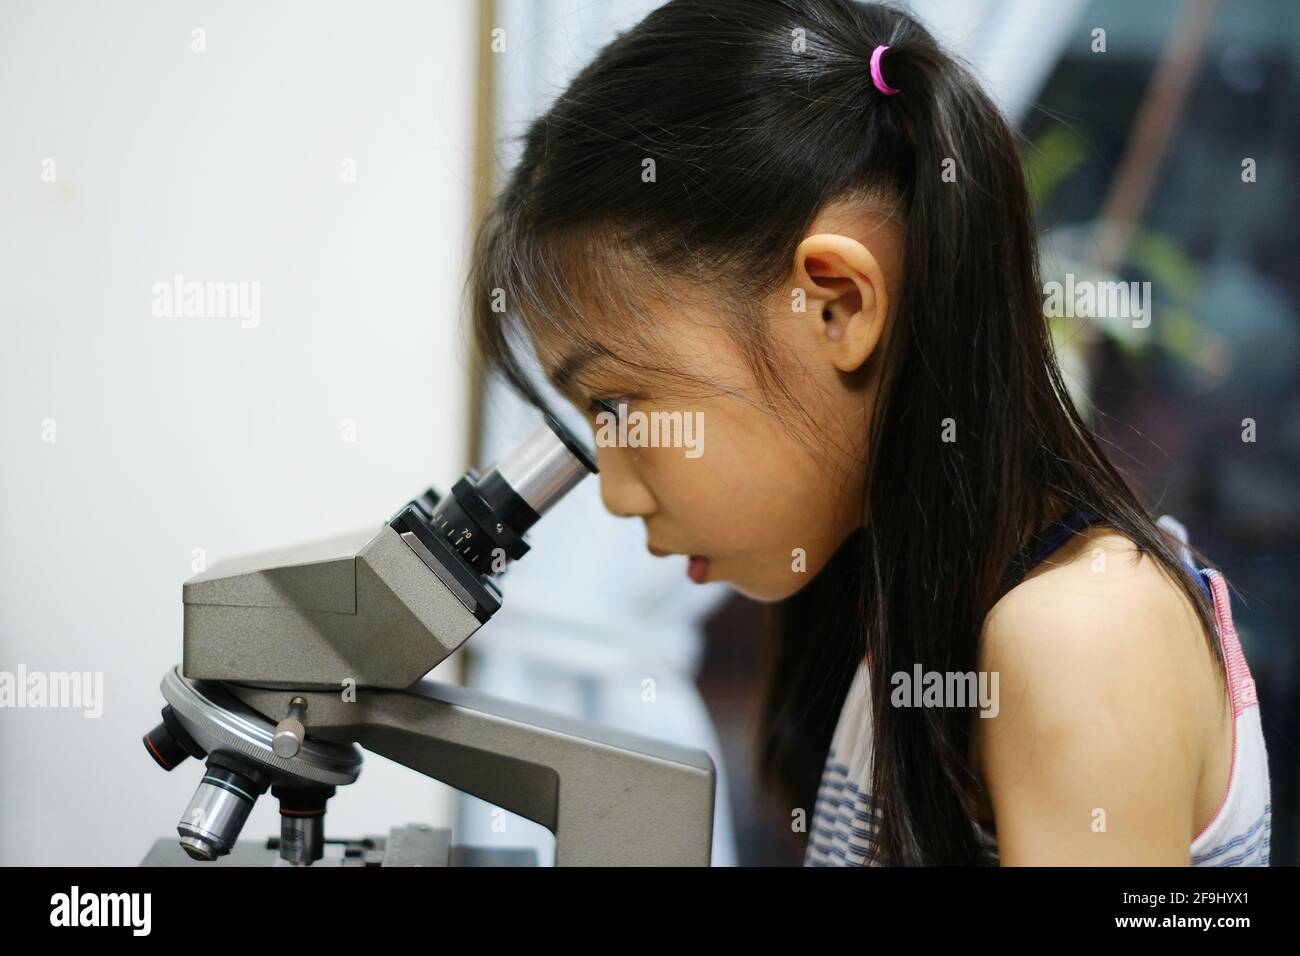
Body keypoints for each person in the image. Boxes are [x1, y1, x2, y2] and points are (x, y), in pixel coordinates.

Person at [465, 0, 1270, 865]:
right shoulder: (907, 600)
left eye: (618, 405)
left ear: (835, 304)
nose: (618, 493)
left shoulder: (1079, 636)